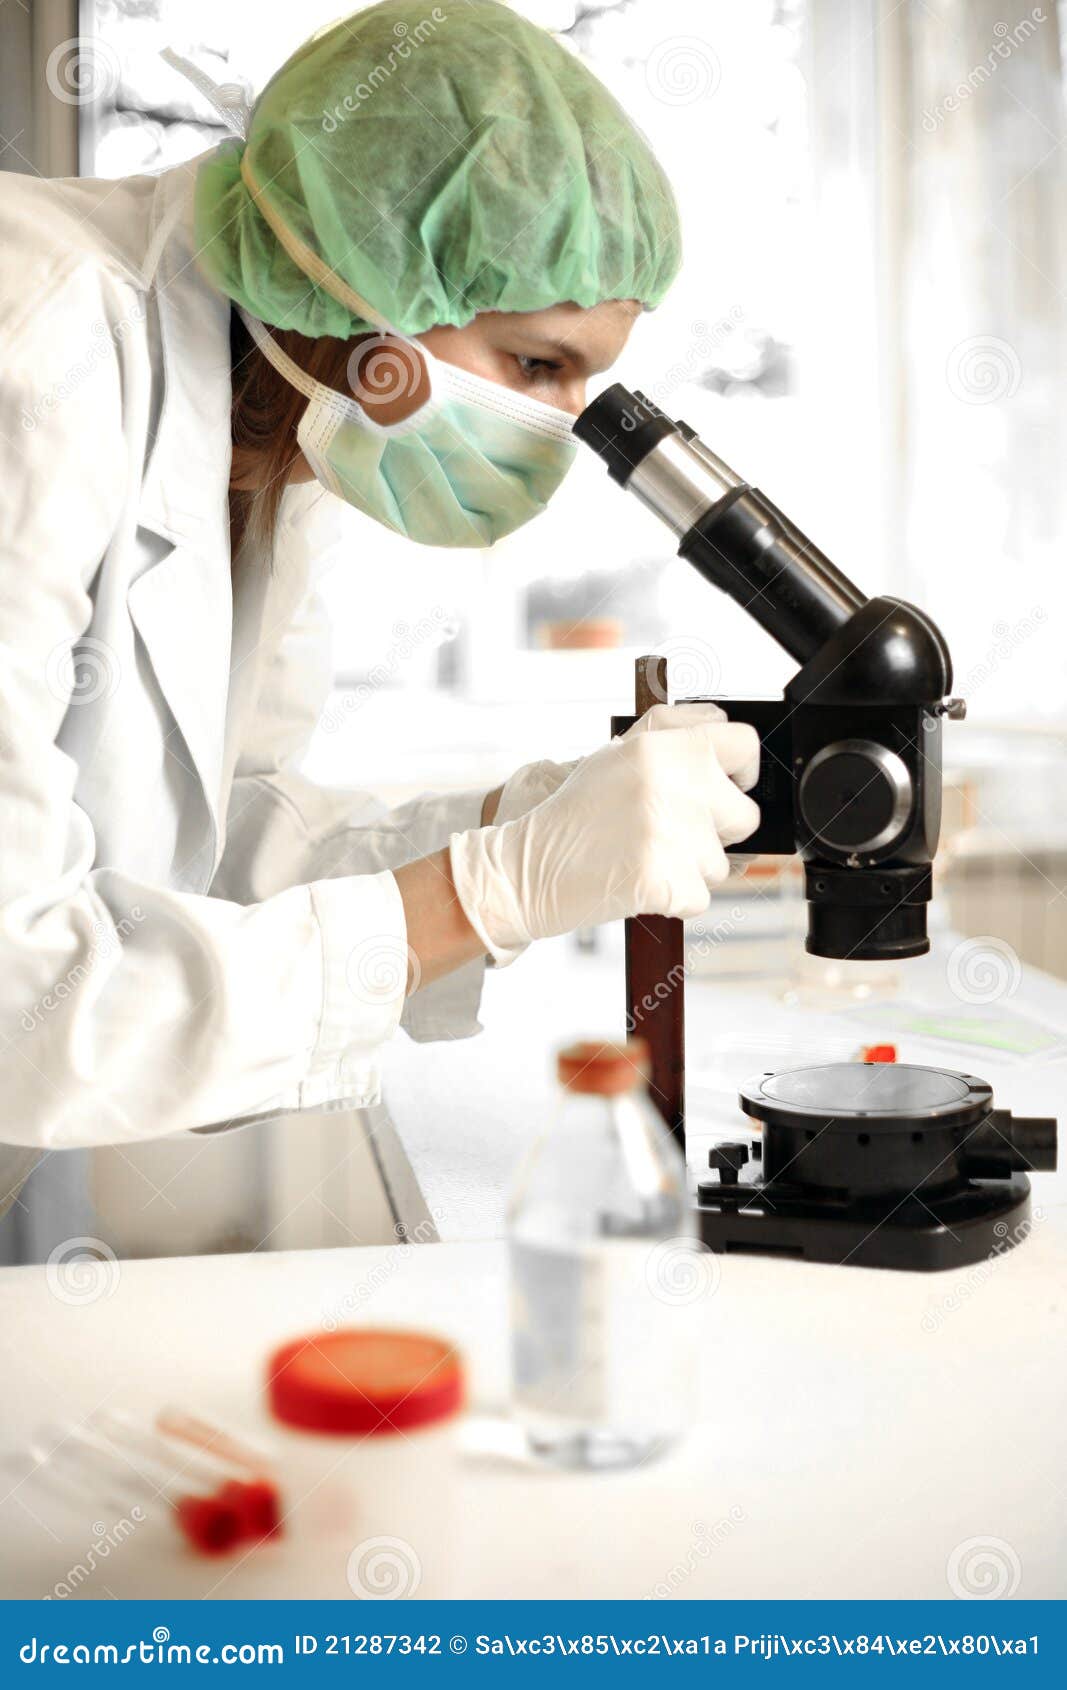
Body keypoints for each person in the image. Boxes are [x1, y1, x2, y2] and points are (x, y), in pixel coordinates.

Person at [0, 0, 759, 1199]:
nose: (562, 428)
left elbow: (195, 862)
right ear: (369, 279)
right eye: (534, 364)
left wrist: (516, 831)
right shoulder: (37, 341)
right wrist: (482, 892)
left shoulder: (284, 441)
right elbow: (19, 992)